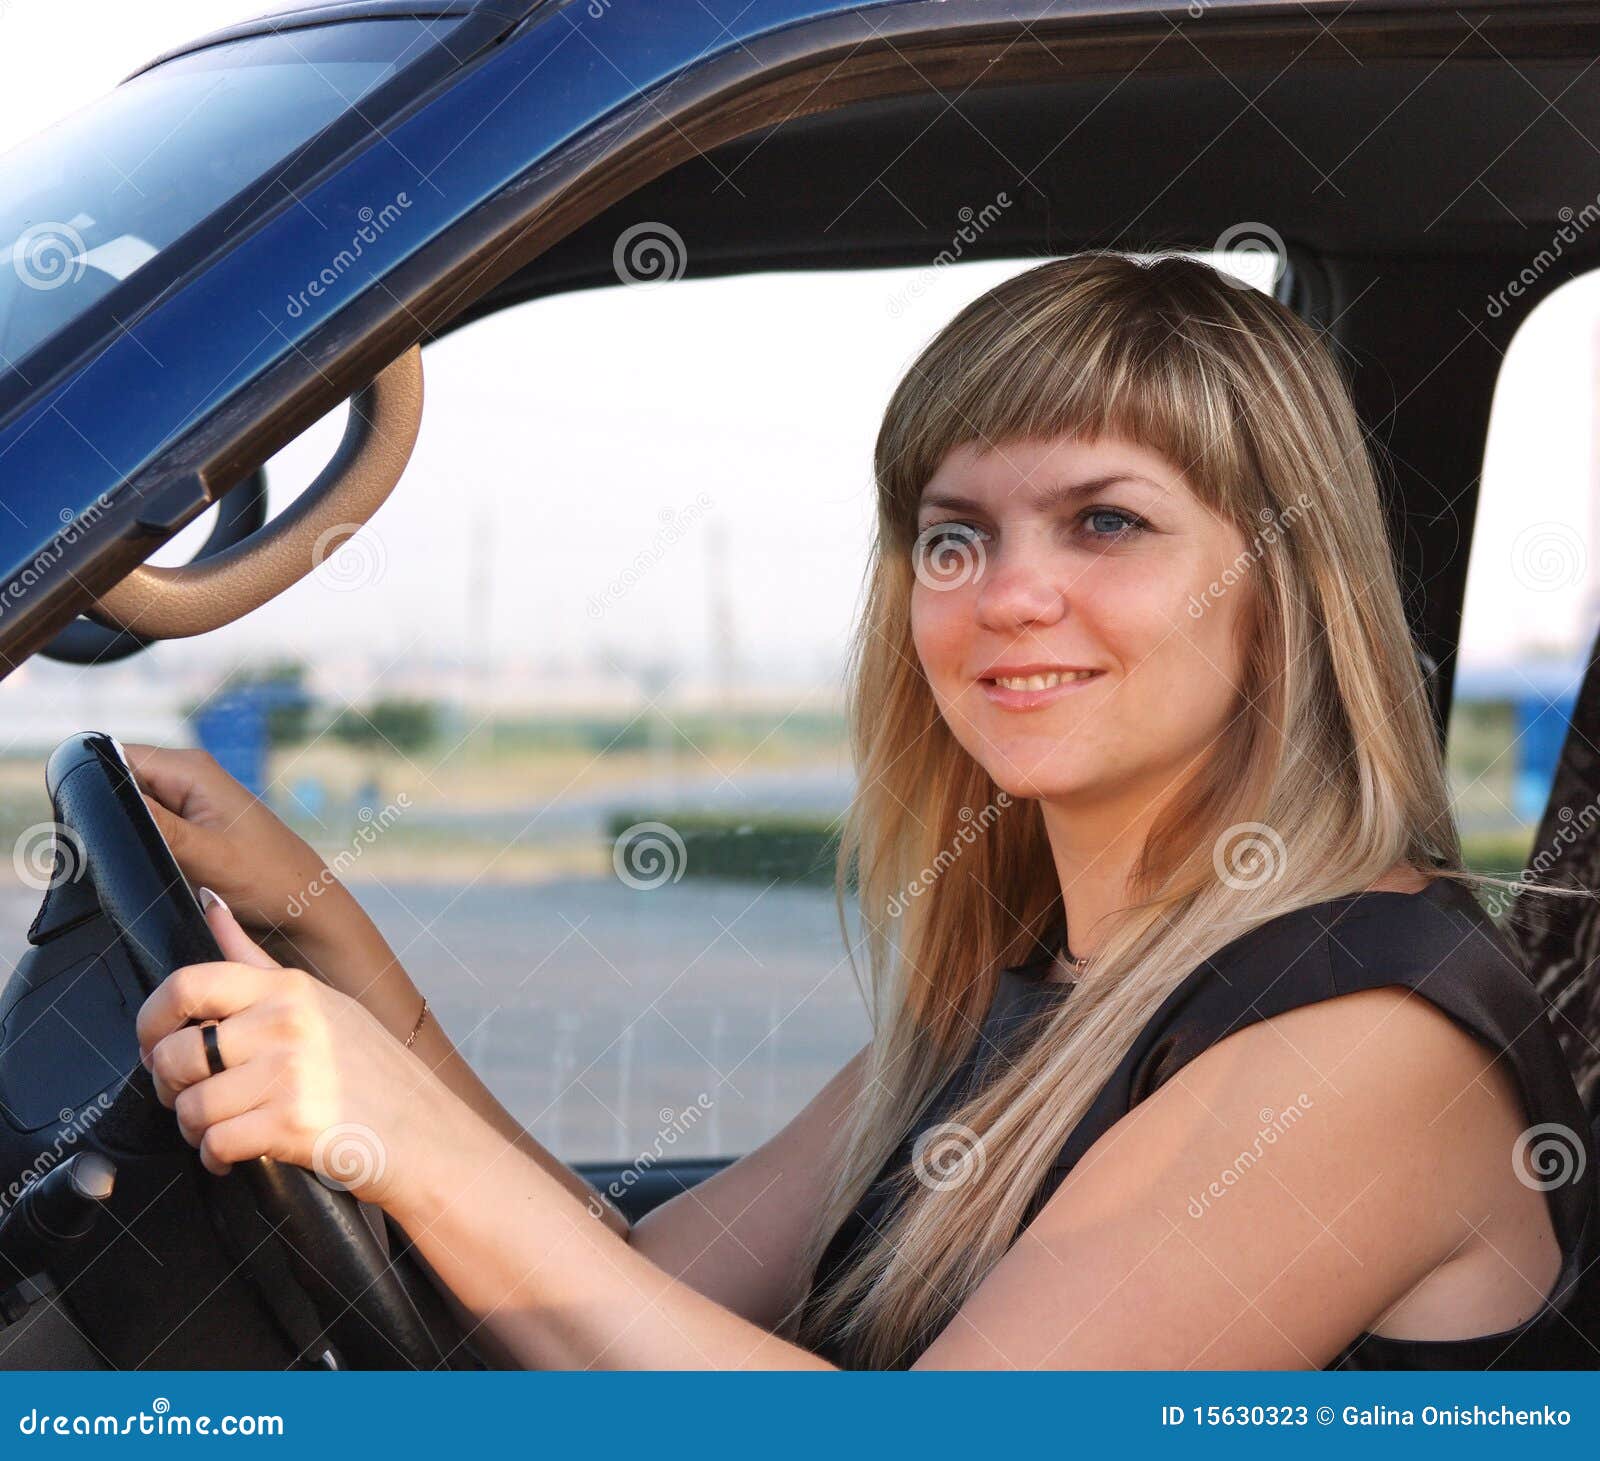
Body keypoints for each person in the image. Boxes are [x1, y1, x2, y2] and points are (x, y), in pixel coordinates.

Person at [127, 251, 1600, 1370]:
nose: (1008, 592)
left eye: (1107, 521)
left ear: (1280, 590)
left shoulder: (1364, 1036)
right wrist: (331, 942)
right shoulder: (1035, 987)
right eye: (955, 536)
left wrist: (407, 1142)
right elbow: (634, 1289)